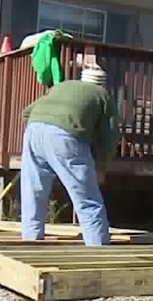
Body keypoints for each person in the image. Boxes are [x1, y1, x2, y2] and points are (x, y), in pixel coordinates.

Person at [20, 64, 120, 246]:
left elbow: (26, 113)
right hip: (65, 136)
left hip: (33, 130)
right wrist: (101, 167)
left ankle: (31, 240)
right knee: (87, 198)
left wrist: (40, 135)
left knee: (33, 191)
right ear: (103, 84)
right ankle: (98, 250)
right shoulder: (102, 95)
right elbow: (110, 135)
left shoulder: (62, 86)